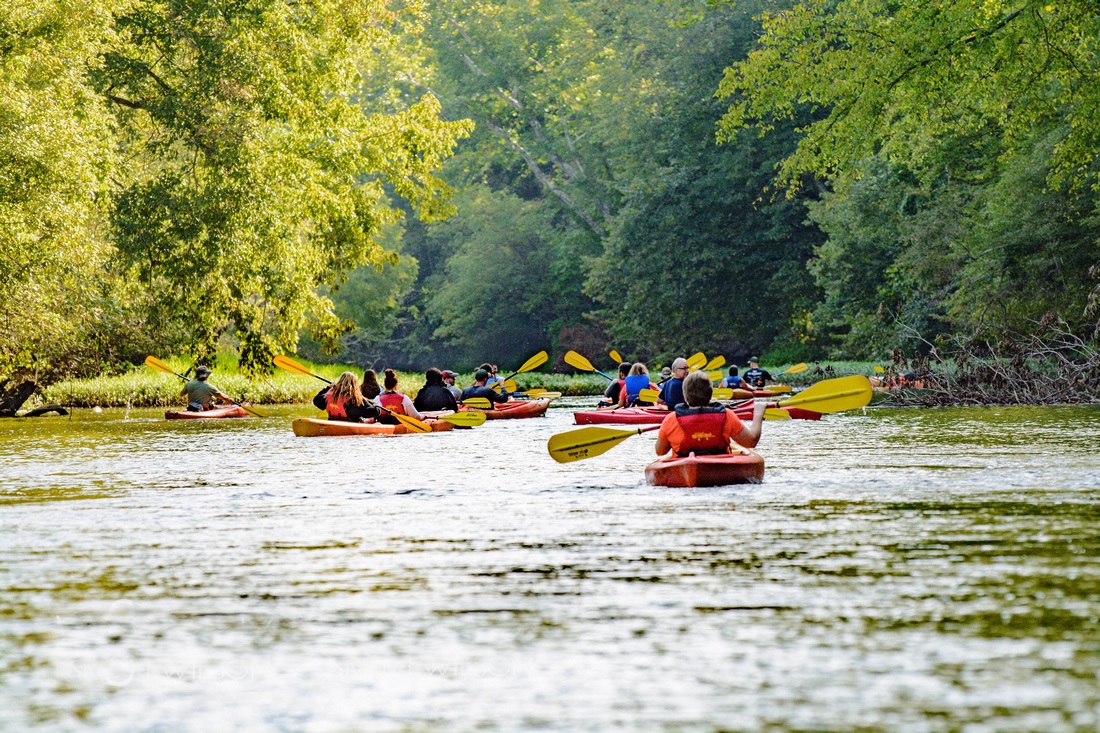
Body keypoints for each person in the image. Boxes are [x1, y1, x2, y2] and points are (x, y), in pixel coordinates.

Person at [655, 370, 766, 457]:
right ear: (711, 394)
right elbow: (751, 442)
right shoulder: (727, 415)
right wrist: (758, 414)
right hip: (719, 468)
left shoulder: (671, 419)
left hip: (684, 465)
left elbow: (660, 452)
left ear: (684, 396)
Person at [312, 371, 381, 422]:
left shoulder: (328, 396)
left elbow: (316, 400)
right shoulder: (355, 400)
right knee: (373, 420)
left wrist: (328, 388)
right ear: (354, 385)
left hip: (332, 422)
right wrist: (376, 406)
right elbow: (373, 412)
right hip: (351, 426)